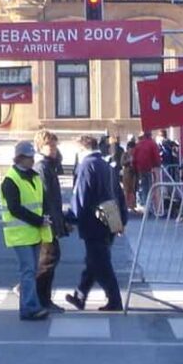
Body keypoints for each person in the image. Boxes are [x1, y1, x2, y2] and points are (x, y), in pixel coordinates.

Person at [65, 134, 124, 312]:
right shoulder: (106, 164)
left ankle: (114, 299)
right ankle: (80, 295)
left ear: (82, 149)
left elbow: (81, 196)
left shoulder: (86, 166)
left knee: (100, 262)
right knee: (94, 260)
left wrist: (71, 218)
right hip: (110, 216)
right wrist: (121, 220)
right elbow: (118, 193)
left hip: (94, 219)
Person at [1, 141, 53, 321]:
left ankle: (30, 305)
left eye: (32, 157)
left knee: (31, 270)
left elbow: (43, 200)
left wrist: (46, 216)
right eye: (29, 157)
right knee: (28, 270)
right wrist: (39, 220)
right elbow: (15, 208)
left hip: (34, 231)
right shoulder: (10, 179)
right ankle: (29, 307)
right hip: (20, 233)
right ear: (20, 158)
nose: (32, 161)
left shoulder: (34, 176)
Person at [33, 129, 69, 313]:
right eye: (50, 145)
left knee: (49, 258)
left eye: (55, 145)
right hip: (45, 222)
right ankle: (42, 299)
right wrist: (54, 222)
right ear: (41, 146)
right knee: (48, 259)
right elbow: (46, 198)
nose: (54, 149)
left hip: (49, 220)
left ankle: (41, 297)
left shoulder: (48, 166)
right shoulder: (42, 168)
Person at [131, 130, 161, 214]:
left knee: (143, 187)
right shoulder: (152, 144)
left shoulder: (139, 144)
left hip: (140, 169)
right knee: (151, 187)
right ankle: (150, 206)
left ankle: (144, 205)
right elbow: (156, 157)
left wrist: (135, 168)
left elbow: (134, 157)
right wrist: (157, 165)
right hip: (150, 169)